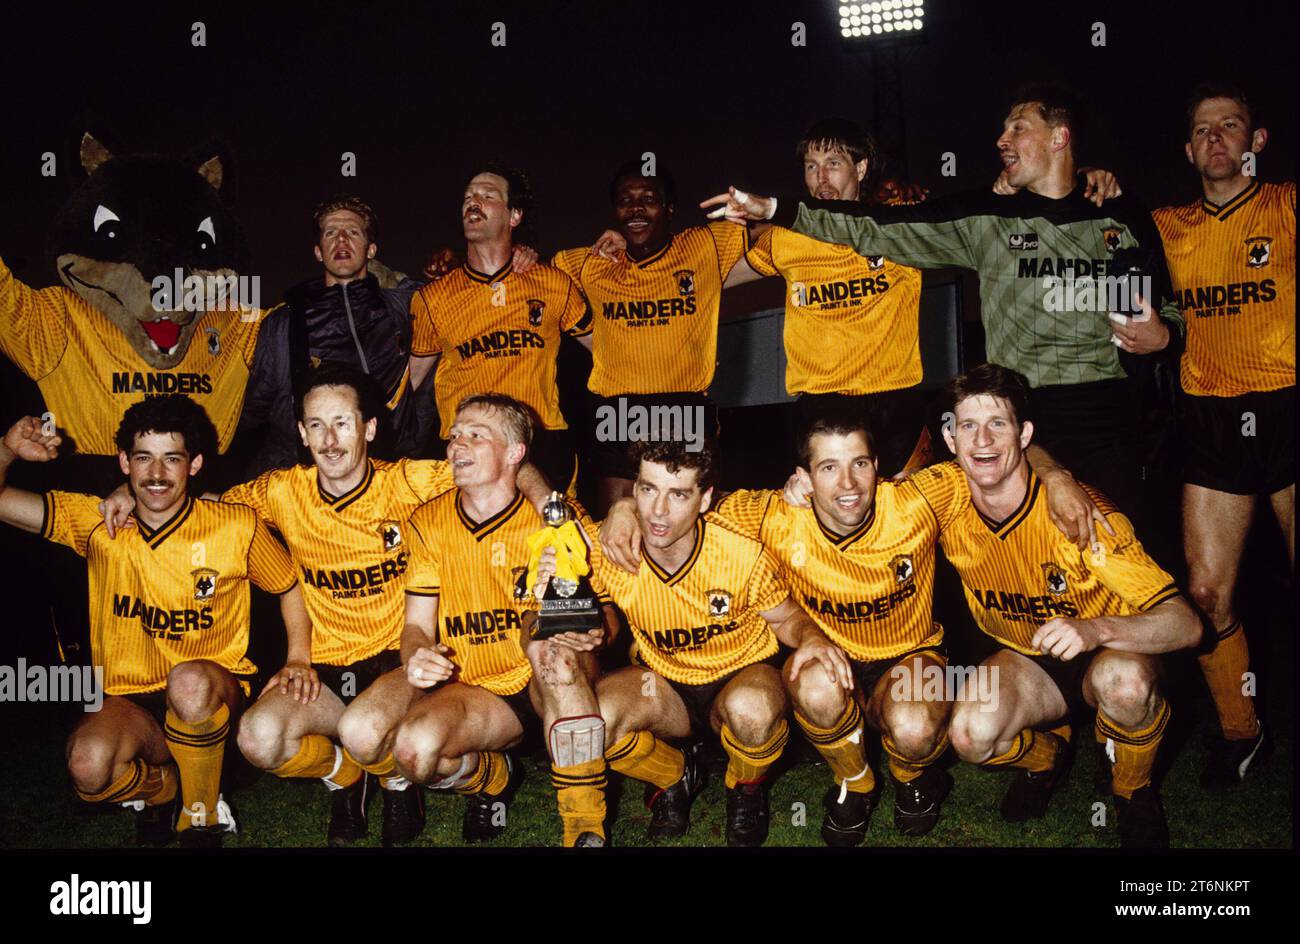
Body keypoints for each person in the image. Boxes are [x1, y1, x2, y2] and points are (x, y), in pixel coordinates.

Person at [598, 407, 1106, 845]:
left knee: (912, 727)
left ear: (877, 467)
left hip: (911, 655)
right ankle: (856, 783)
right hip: (829, 656)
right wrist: (623, 507)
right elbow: (675, 507)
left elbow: (998, 460)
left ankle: (914, 777)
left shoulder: (915, 501)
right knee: (815, 682)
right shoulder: (773, 514)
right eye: (828, 467)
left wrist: (1057, 477)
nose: (846, 485)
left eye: (858, 464)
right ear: (804, 476)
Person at [703, 84, 1183, 522]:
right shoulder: (791, 238)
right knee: (829, 526)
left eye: (833, 164)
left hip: (921, 406)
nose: (820, 177)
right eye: (810, 166)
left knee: (1109, 545)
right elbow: (708, 278)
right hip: (853, 405)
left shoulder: (1112, 213)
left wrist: (1162, 334)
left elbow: (1151, 300)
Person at [0, 396, 305, 848]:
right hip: (132, 698)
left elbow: (289, 586)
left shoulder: (235, 526)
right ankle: (164, 790)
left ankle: (201, 817)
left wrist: (298, 657)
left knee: (188, 682)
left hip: (213, 693)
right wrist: (6, 451)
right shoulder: (97, 524)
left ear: (195, 464)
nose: (157, 474)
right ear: (124, 461)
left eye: (172, 459)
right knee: (88, 767)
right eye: (143, 458)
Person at [533, 438, 851, 846]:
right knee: (597, 722)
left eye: (678, 495)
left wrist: (812, 638)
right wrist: (567, 610)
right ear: (634, 490)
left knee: (752, 710)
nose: (659, 511)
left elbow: (787, 615)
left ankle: (747, 789)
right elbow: (565, 610)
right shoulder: (606, 548)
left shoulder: (738, 552)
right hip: (665, 685)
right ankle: (674, 774)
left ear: (704, 500)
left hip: (740, 674)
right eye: (648, 490)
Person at [933, 364, 1201, 847]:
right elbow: (862, 498)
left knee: (1124, 685)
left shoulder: (1081, 514)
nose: (983, 439)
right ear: (950, 440)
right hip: (1030, 659)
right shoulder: (943, 502)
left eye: (998, 423)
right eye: (967, 425)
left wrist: (1095, 630)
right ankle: (1047, 757)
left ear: (1025, 434)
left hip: (1110, 648)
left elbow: (1186, 625)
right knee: (970, 737)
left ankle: (1132, 791)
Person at [335, 394, 609, 842]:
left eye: (476, 435)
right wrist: (417, 656)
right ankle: (493, 777)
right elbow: (417, 627)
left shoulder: (559, 519)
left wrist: (586, 621)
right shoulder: (428, 520)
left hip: (544, 678)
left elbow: (606, 614)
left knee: (548, 644)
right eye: (454, 435)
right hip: (474, 684)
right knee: (371, 736)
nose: (457, 444)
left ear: (515, 453)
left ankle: (582, 824)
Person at [1152, 84, 1294, 788]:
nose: (1215, 139)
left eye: (1229, 126)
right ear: (1187, 149)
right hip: (1211, 418)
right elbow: (1098, 233)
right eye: (1202, 129)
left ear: (1255, 141)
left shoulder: (1288, 207)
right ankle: (1243, 732)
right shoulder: (1168, 225)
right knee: (1206, 598)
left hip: (1290, 407)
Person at [549, 161, 749, 514]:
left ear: (670, 208)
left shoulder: (704, 246)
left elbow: (773, 236)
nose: (636, 208)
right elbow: (533, 280)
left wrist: (753, 214)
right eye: (626, 200)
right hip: (620, 410)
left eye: (649, 199)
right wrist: (523, 254)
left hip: (682, 407)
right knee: (618, 525)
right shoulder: (588, 264)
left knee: (688, 521)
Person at [407, 164, 593, 491]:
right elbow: (409, 380)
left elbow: (608, 352)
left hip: (542, 440)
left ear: (514, 216)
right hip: (466, 444)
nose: (473, 202)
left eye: (488, 196)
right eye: (468, 197)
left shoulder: (552, 283)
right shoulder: (432, 297)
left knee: (550, 538)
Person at [239, 196, 432, 476]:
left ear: (371, 250)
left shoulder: (404, 307)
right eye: (331, 233)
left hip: (387, 477)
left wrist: (519, 256)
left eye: (353, 232)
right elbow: (252, 408)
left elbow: (462, 298)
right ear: (318, 252)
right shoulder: (283, 322)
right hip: (305, 479)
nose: (341, 240)